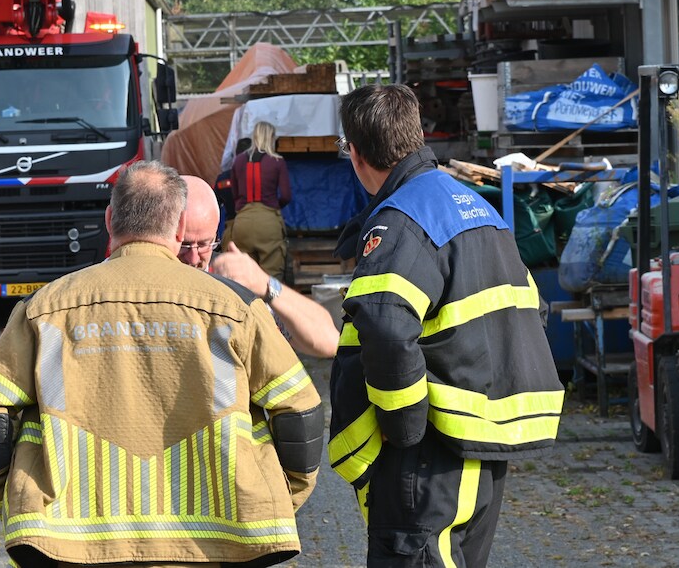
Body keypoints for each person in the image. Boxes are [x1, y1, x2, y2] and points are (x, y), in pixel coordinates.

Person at [0, 161, 325, 568]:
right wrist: (272, 498)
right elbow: (300, 413)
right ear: (179, 230)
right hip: (214, 543)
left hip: (67, 545)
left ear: (110, 219)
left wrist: (11, 499)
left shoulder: (43, 310)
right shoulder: (237, 309)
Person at [328, 84, 564, 567]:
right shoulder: (477, 208)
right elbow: (531, 310)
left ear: (354, 153)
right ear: (415, 137)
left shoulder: (402, 221)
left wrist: (403, 428)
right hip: (478, 451)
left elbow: (386, 324)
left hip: (427, 457)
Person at [181, 175, 340, 359]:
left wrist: (265, 284)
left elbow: (329, 341)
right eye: (184, 245)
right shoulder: (146, 280)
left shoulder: (228, 278)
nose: (193, 257)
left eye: (204, 244)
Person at [229, 121, 291, 279]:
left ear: (254, 136)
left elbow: (234, 194)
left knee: (243, 278)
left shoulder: (238, 161)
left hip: (242, 222)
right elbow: (285, 195)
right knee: (272, 279)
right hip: (268, 222)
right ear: (271, 138)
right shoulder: (277, 161)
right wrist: (275, 207)